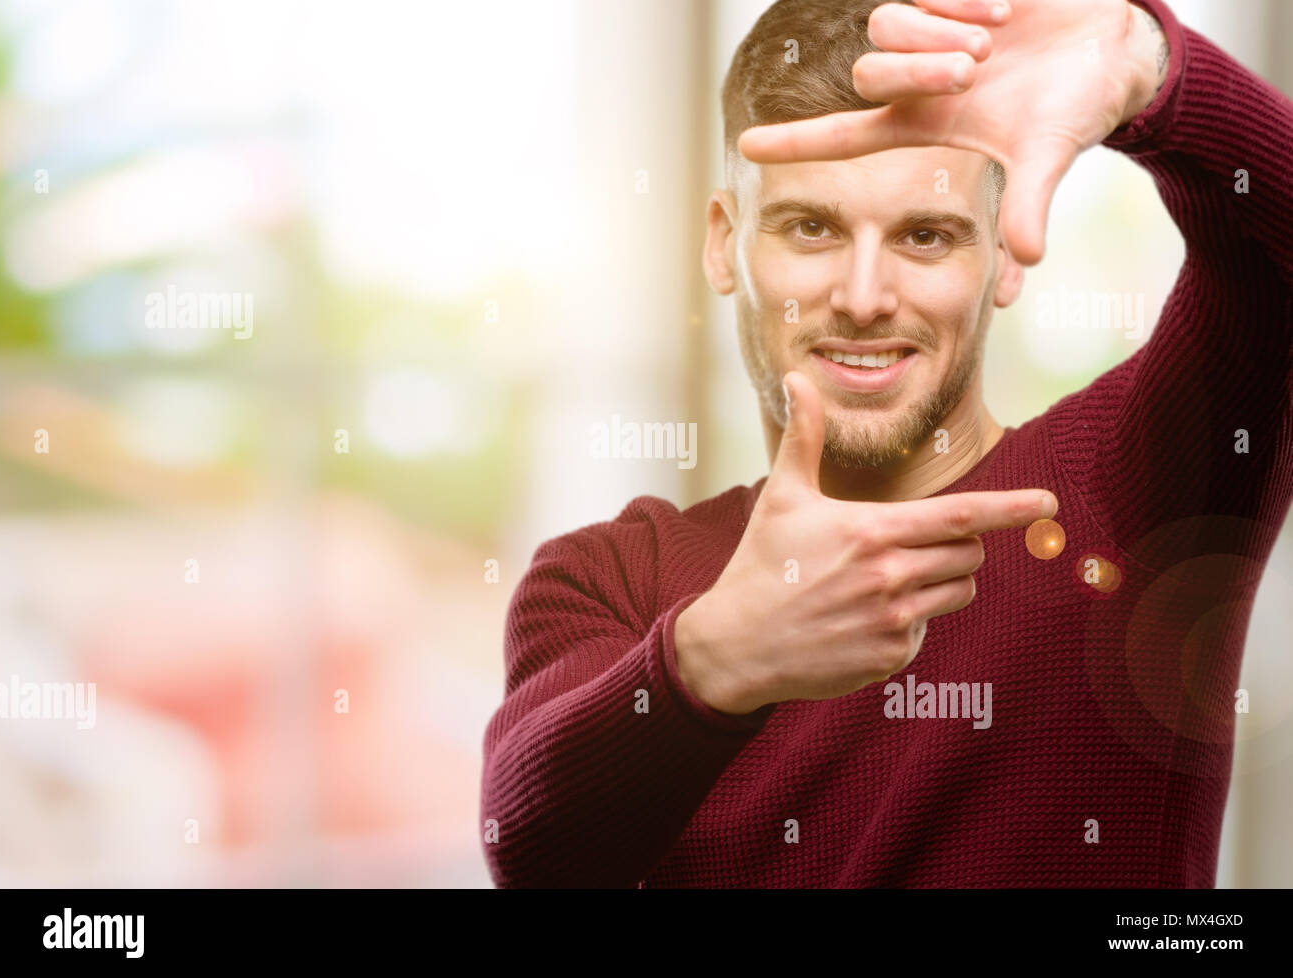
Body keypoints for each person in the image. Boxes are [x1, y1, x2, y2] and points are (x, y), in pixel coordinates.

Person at [481, 0, 1293, 887]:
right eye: (812, 228)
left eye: (925, 235)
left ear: (1007, 256)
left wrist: (1149, 67)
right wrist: (713, 663)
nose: (865, 296)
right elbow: (534, 851)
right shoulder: (614, 578)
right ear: (725, 244)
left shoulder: (1139, 483)